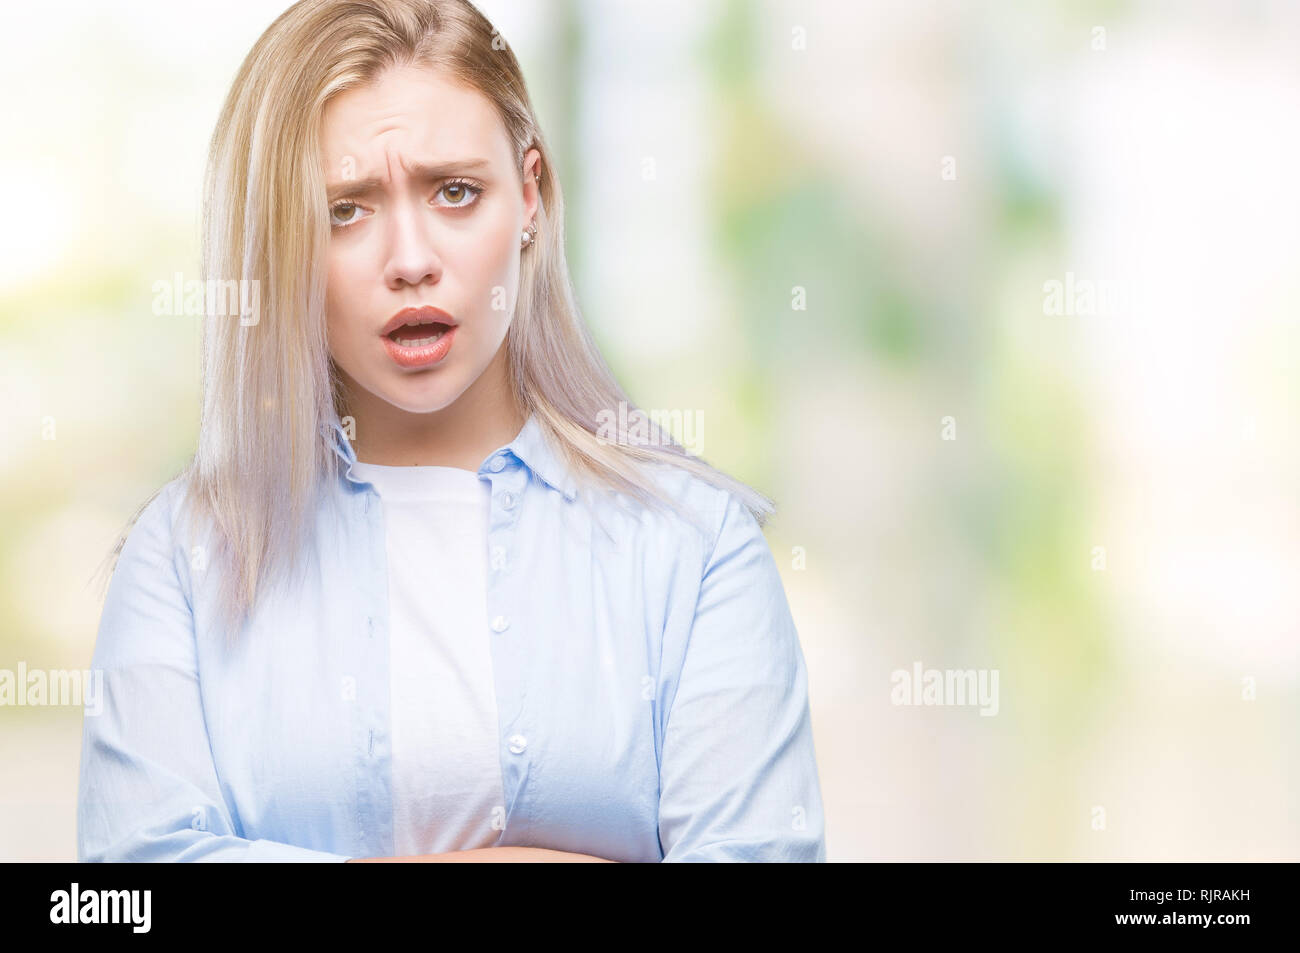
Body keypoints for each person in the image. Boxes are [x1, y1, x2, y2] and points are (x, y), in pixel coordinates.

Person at [78, 0, 826, 863]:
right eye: (346, 210)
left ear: (532, 197)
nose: (410, 259)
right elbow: (122, 889)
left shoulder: (695, 549)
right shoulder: (181, 556)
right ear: (279, 241)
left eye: (456, 192)